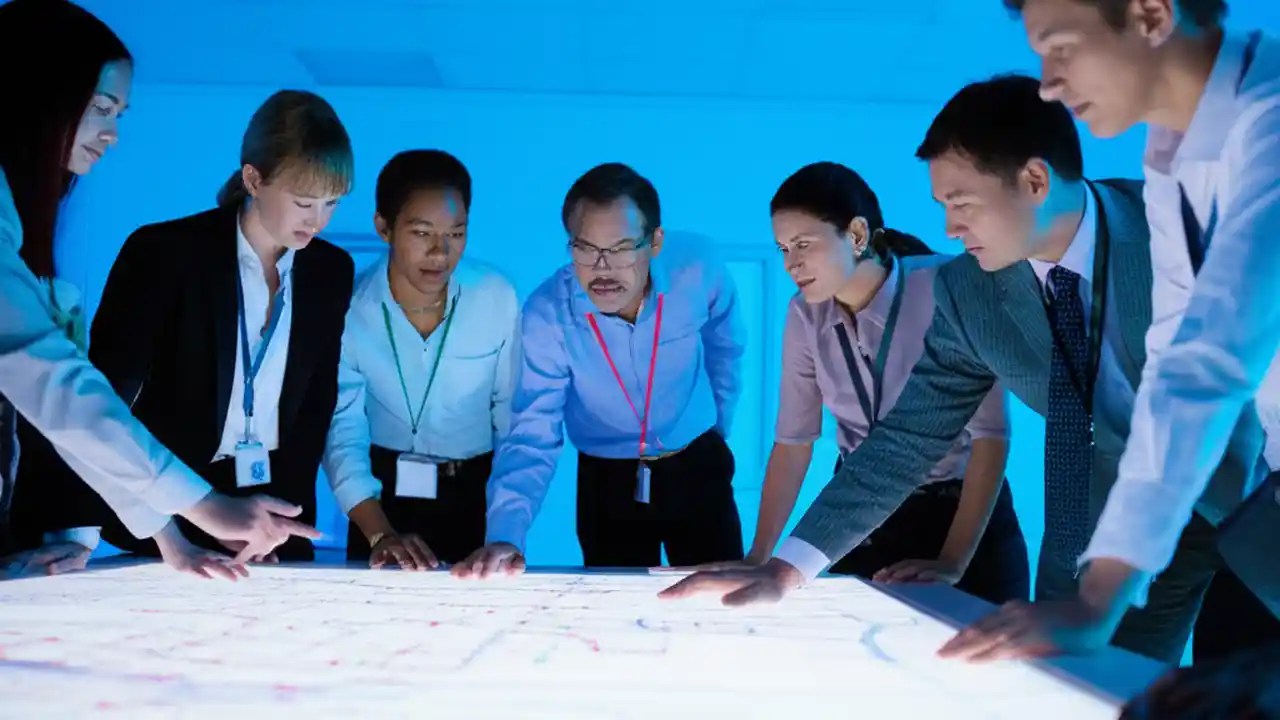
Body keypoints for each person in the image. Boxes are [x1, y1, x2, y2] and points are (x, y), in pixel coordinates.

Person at [659, 74, 1233, 664]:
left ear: (1034, 181)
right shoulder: (969, 291)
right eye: (942, 207)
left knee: (1249, 673)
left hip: (1251, 498)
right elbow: (907, 437)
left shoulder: (1181, 226)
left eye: (961, 204)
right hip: (1110, 523)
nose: (949, 230)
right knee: (1091, 682)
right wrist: (785, 570)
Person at [938, 0, 1280, 662]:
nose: (1048, 84)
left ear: (1150, 14)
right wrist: (1096, 593)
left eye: (1061, 47)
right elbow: (1172, 356)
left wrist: (1094, 603)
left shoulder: (1270, 121)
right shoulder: (1171, 154)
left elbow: (1210, 361)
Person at [0, 0, 318, 580]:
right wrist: (200, 505)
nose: (112, 134)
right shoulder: (165, 249)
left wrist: (166, 531)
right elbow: (57, 385)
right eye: (101, 108)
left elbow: (64, 398)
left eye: (119, 113)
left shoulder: (326, 271)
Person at [730, 161, 1029, 605]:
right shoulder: (804, 314)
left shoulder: (947, 286)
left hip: (962, 512)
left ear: (856, 235)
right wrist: (759, 556)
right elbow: (793, 443)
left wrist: (953, 560)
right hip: (863, 512)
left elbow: (991, 437)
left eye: (804, 244)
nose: (791, 263)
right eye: (783, 249)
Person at [87, 89, 356, 567]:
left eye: (331, 203)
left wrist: (281, 525)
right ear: (253, 179)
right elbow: (102, 401)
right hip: (171, 508)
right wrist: (85, 527)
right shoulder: (165, 253)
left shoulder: (330, 270)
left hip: (274, 520)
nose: (318, 221)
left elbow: (314, 407)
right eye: (303, 202)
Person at [453, 162, 746, 577]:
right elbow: (533, 431)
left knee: (719, 599)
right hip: (608, 478)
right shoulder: (548, 313)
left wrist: (717, 426)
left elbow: (726, 345)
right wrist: (506, 535)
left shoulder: (696, 266)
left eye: (622, 248)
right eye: (586, 249)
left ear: (655, 241)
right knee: (613, 609)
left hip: (697, 461)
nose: (602, 268)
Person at [323, 149, 520, 569]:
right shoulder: (349, 308)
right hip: (380, 498)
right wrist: (379, 532)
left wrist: (505, 529)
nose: (440, 252)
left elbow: (512, 420)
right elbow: (342, 429)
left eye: (456, 233)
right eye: (422, 233)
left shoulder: (495, 297)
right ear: (384, 227)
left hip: (474, 494)